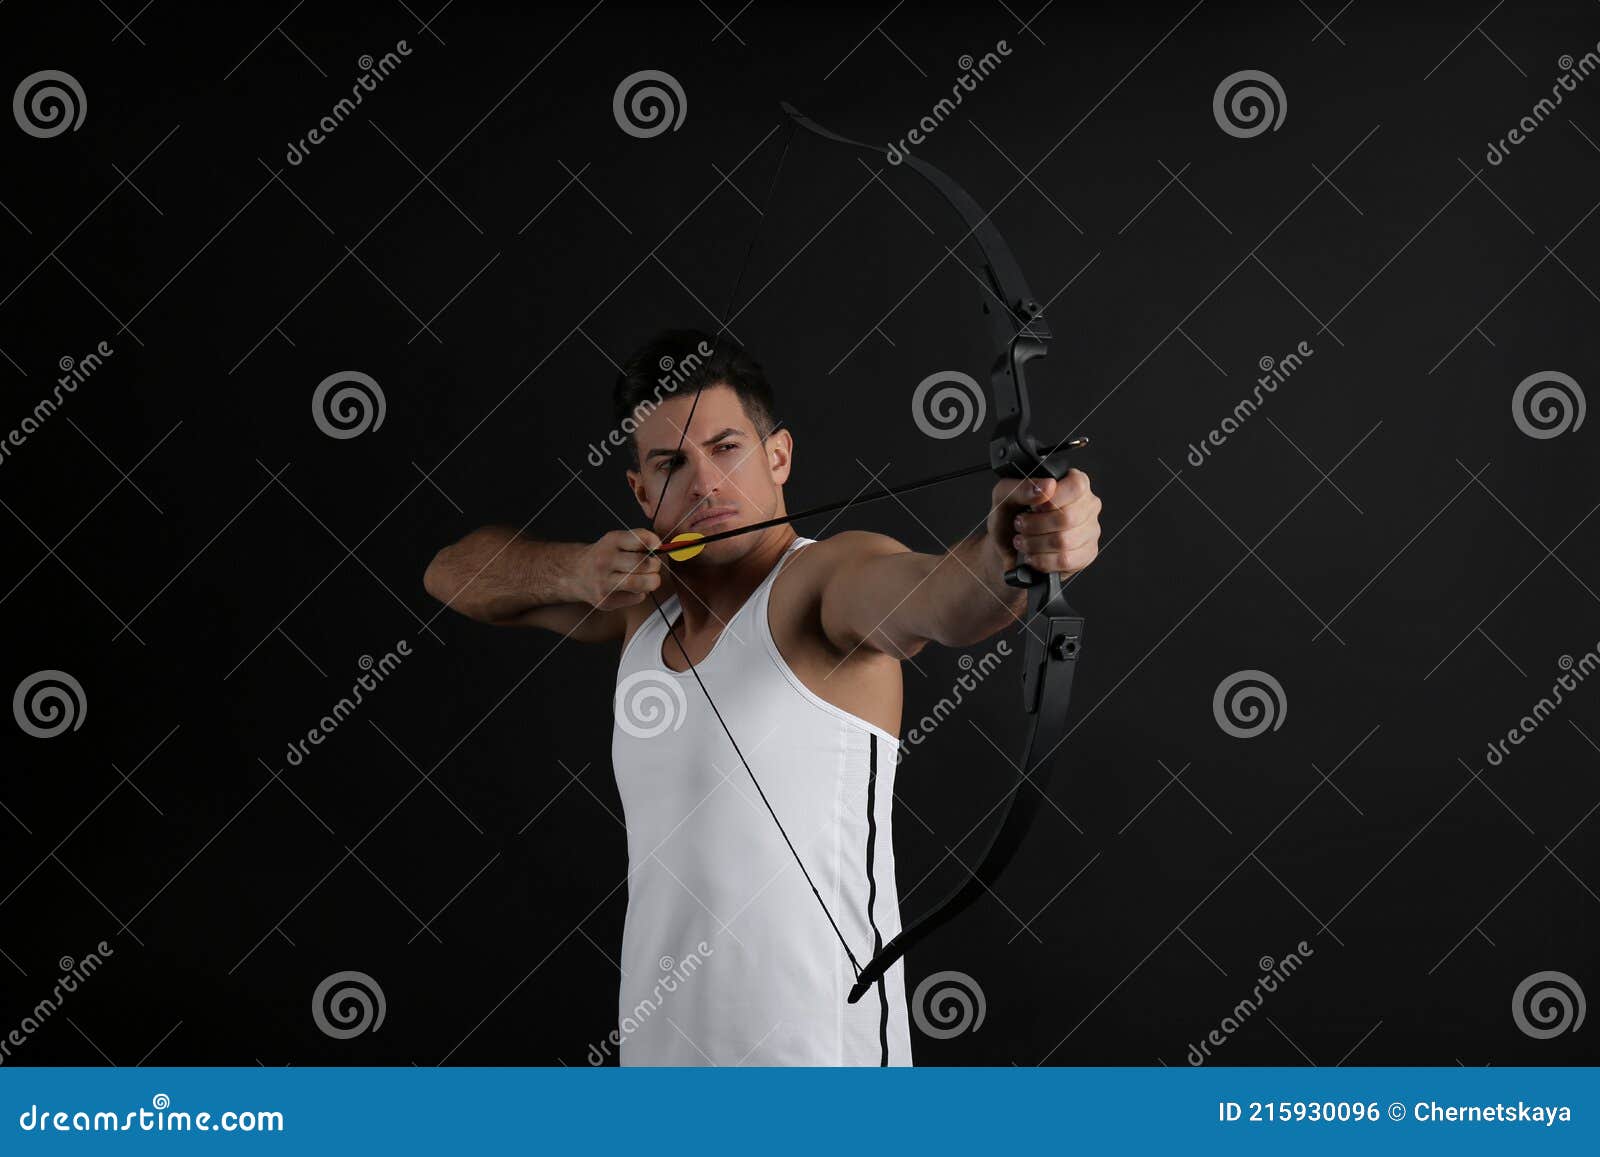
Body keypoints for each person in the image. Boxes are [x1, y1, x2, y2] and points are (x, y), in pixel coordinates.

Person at [423, 329, 1102, 1065]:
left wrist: (1014, 548)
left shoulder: (825, 583)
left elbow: (944, 598)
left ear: (777, 455)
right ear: (641, 492)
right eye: (671, 464)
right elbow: (453, 574)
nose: (706, 484)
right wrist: (574, 570)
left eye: (726, 448)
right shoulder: (637, 609)